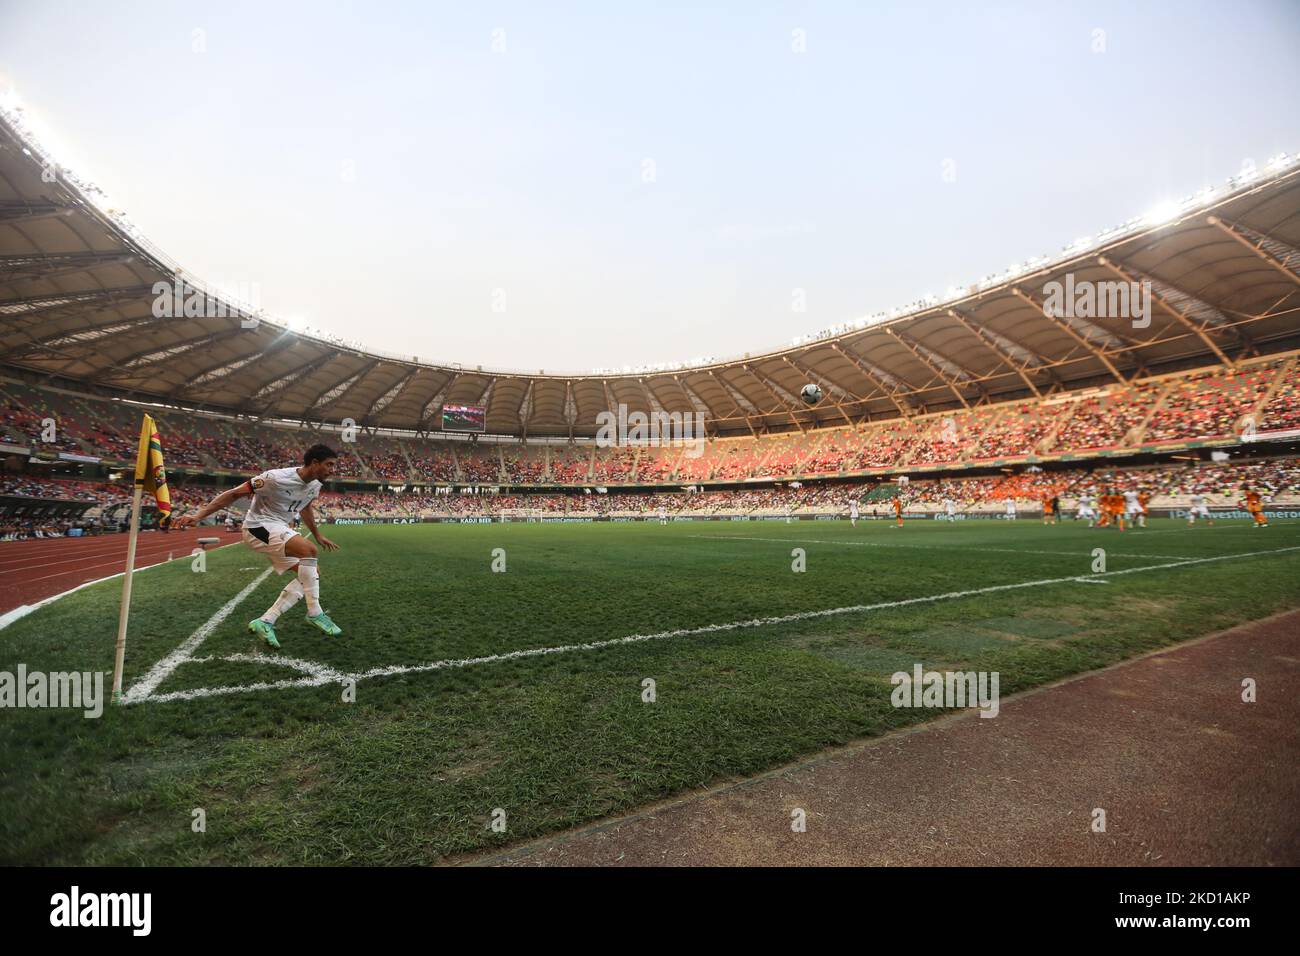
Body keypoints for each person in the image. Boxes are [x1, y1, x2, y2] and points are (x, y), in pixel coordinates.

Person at [172, 444, 342, 647]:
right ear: (314, 463)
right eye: (329, 465)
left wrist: (317, 534)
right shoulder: (275, 478)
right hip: (257, 527)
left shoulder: (315, 484)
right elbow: (234, 494)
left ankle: (265, 621)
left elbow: (305, 507)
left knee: (312, 574)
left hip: (278, 528)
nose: (332, 470)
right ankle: (315, 613)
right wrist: (198, 516)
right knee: (309, 551)